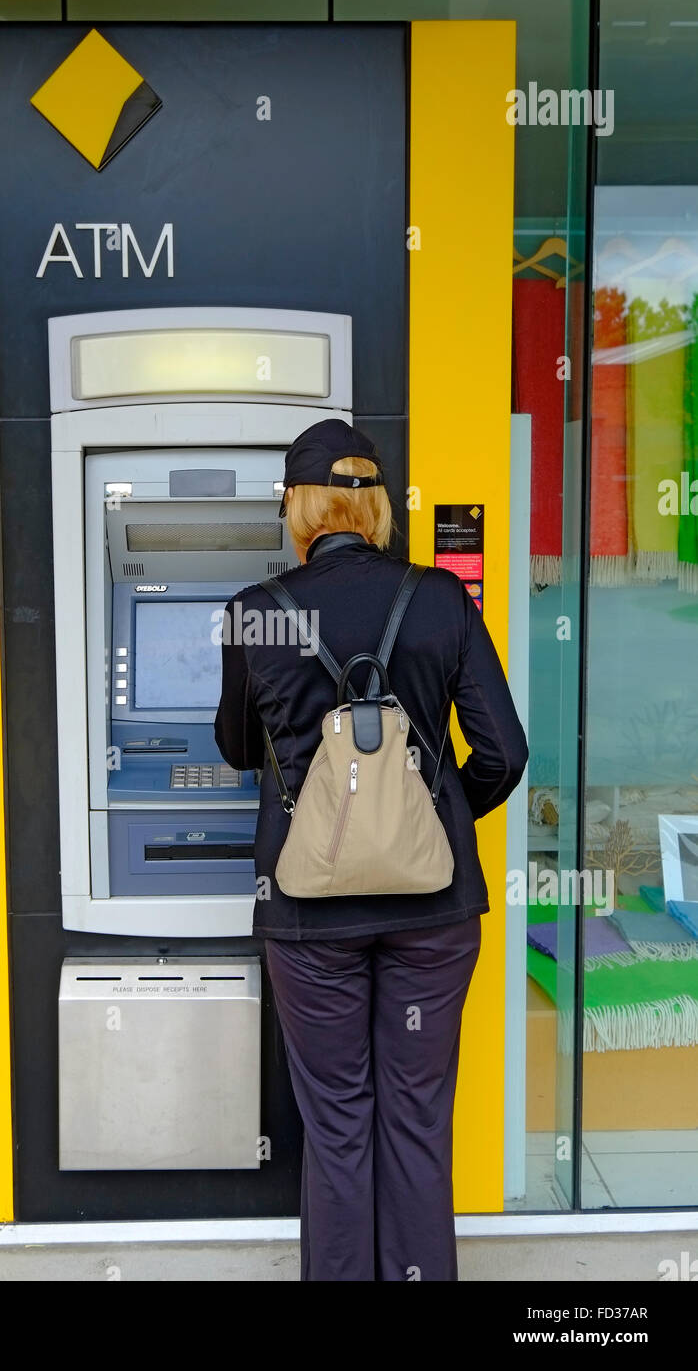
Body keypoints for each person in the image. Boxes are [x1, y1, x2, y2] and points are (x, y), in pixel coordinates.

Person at [214, 418, 528, 1282]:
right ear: (377, 505)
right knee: (418, 1119)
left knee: (338, 1125)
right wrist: (429, 817)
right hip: (433, 910)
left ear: (300, 507)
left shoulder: (258, 614)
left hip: (311, 918)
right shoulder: (438, 599)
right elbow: (504, 751)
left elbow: (241, 748)